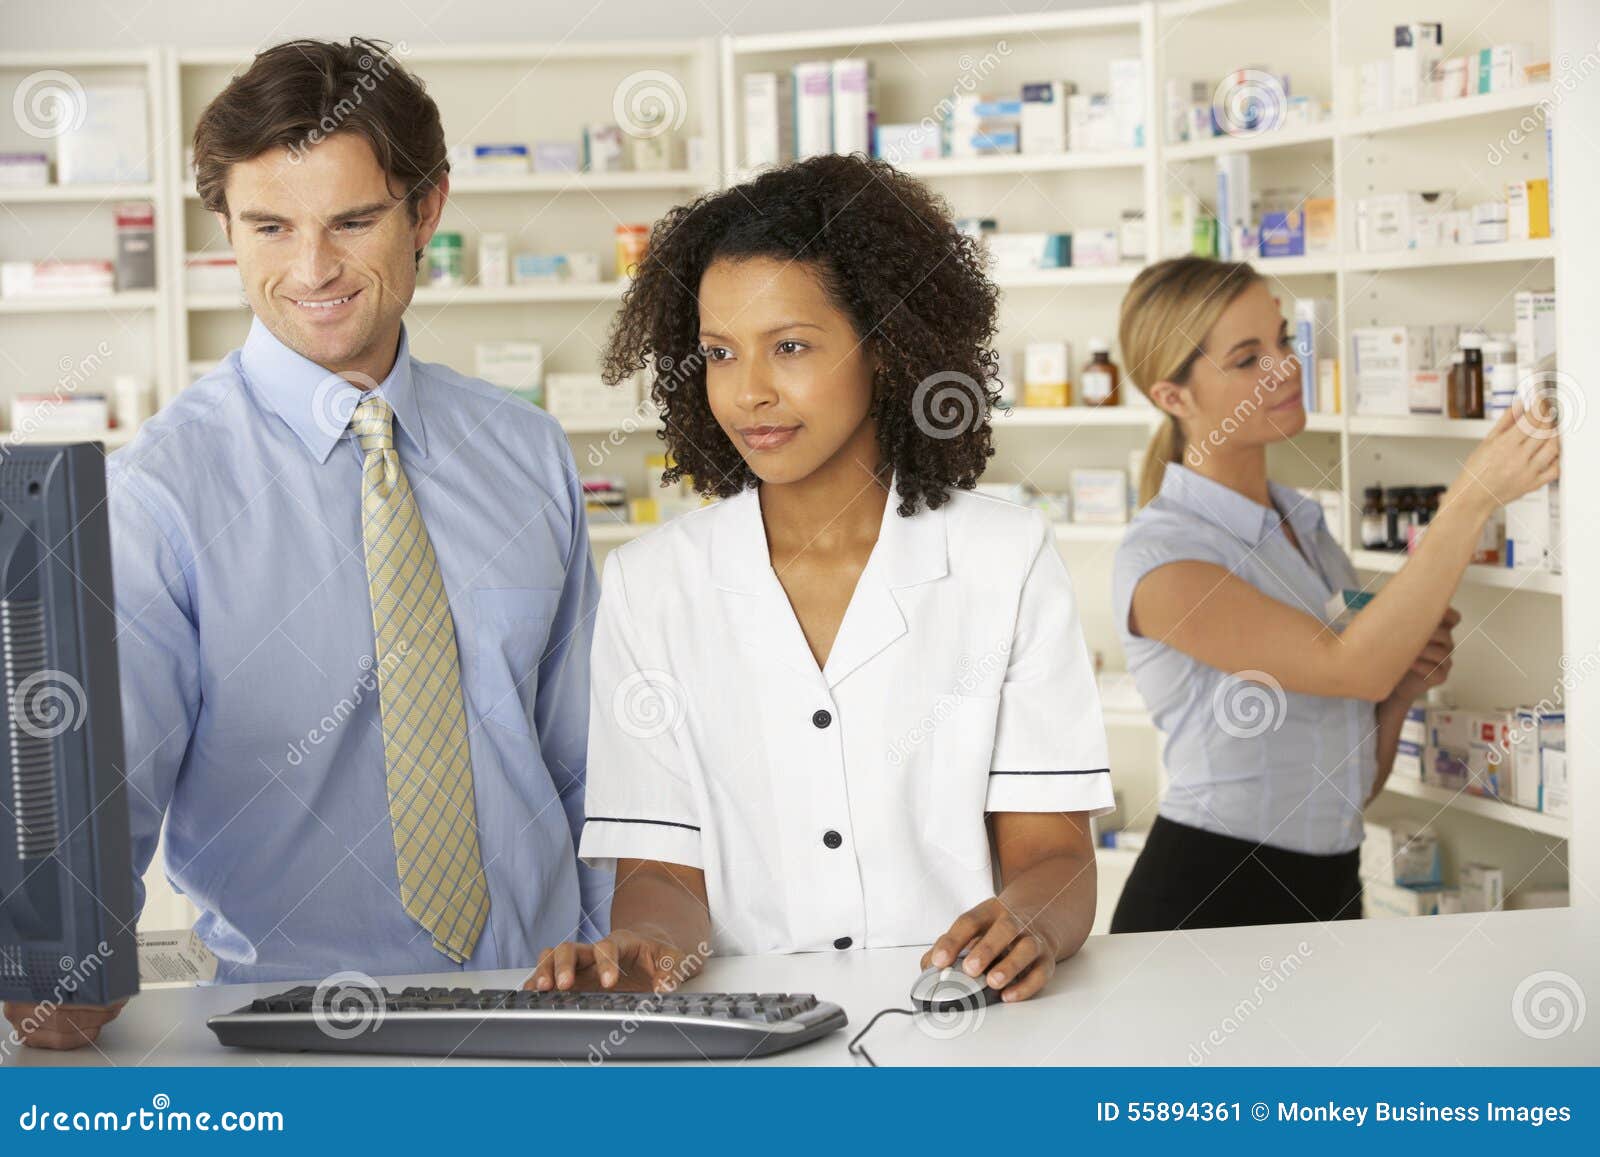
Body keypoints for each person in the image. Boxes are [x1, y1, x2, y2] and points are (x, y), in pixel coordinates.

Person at [3, 37, 607, 1050]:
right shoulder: (159, 489)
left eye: (353, 221)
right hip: (292, 1037)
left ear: (427, 210)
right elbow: (106, 796)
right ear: (227, 229)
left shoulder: (527, 451)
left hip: (547, 1014)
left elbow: (589, 764)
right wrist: (63, 960)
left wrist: (612, 950)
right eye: (269, 226)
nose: (312, 268)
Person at [526, 154, 1113, 1004]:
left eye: (791, 346)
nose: (749, 392)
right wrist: (647, 947)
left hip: (962, 1018)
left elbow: (1053, 857)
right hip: (752, 1040)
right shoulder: (654, 584)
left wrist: (1028, 924)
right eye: (719, 353)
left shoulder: (1003, 559)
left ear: (889, 347)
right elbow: (663, 873)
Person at [1106, 256, 1559, 932]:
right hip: (1209, 894)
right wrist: (1473, 498)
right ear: (1174, 397)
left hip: (1330, 883)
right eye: (1247, 357)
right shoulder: (1164, 560)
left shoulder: (1308, 532)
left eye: (1283, 340)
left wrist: (1400, 691)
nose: (1285, 367)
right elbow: (1351, 667)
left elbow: (1346, 790)